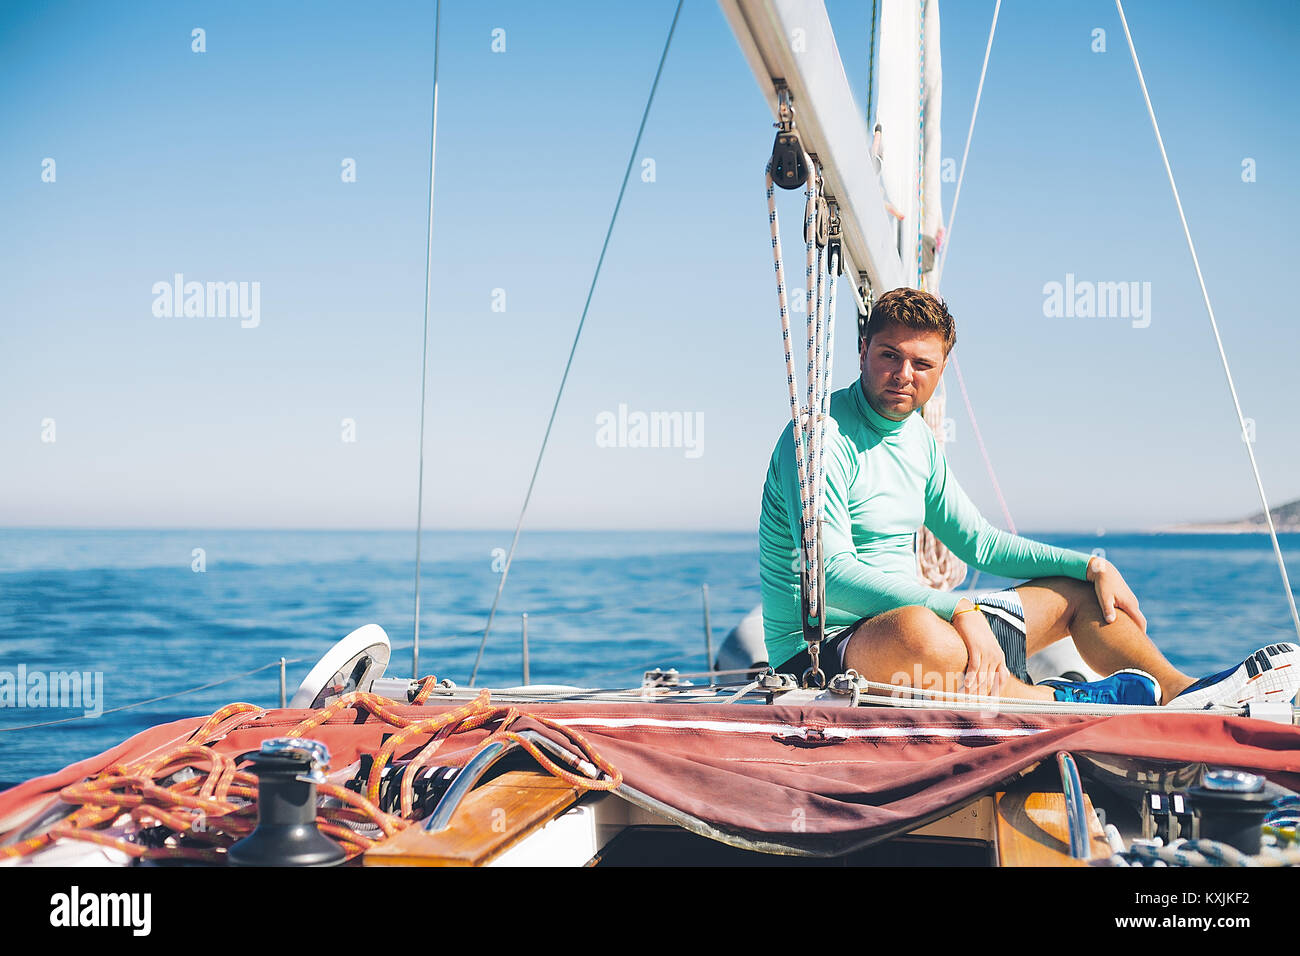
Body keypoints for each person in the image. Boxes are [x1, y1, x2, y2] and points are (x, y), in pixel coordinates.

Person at [757, 287, 1299, 707]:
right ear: (862, 352)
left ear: (942, 370)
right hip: (824, 650)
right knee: (926, 636)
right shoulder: (819, 436)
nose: (903, 375)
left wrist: (1089, 564)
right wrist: (960, 608)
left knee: (1081, 594)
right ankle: (1067, 701)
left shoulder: (917, 438)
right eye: (889, 356)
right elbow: (832, 575)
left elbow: (980, 544)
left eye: (922, 364)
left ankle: (1185, 695)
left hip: (923, 620)